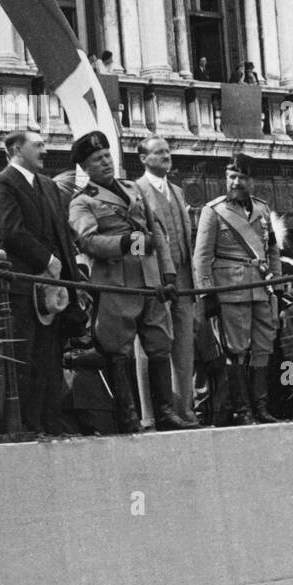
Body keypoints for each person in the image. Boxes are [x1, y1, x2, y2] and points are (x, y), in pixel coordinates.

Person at [68, 131, 193, 433]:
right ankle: (128, 417)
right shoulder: (82, 202)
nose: (106, 163)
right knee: (118, 349)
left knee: (159, 345)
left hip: (150, 281)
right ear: (86, 168)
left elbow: (157, 233)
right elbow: (89, 242)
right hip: (116, 283)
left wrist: (169, 275)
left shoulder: (131, 188)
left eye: (107, 156)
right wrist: (131, 243)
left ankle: (165, 412)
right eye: (97, 160)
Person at [0, 130, 82, 436]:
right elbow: (11, 230)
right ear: (15, 148)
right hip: (20, 288)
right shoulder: (0, 185)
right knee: (23, 361)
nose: (45, 151)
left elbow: (62, 235)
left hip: (51, 292)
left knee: (50, 360)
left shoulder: (49, 187)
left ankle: (49, 425)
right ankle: (24, 427)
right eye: (38, 145)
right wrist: (47, 260)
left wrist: (68, 278)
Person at [193, 154, 282, 425]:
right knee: (237, 350)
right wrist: (207, 294)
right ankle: (242, 410)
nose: (236, 182)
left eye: (242, 177)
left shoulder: (263, 210)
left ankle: (261, 407)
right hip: (231, 290)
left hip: (261, 288)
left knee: (263, 348)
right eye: (232, 176)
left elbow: (272, 251)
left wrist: (276, 285)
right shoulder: (214, 210)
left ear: (251, 180)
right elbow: (202, 256)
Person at [136, 137, 199, 426]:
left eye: (168, 152)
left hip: (184, 280)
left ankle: (186, 410)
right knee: (153, 348)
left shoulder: (177, 191)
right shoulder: (137, 190)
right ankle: (152, 415)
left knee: (184, 349)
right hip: (156, 282)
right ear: (143, 158)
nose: (166, 156)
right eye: (159, 152)